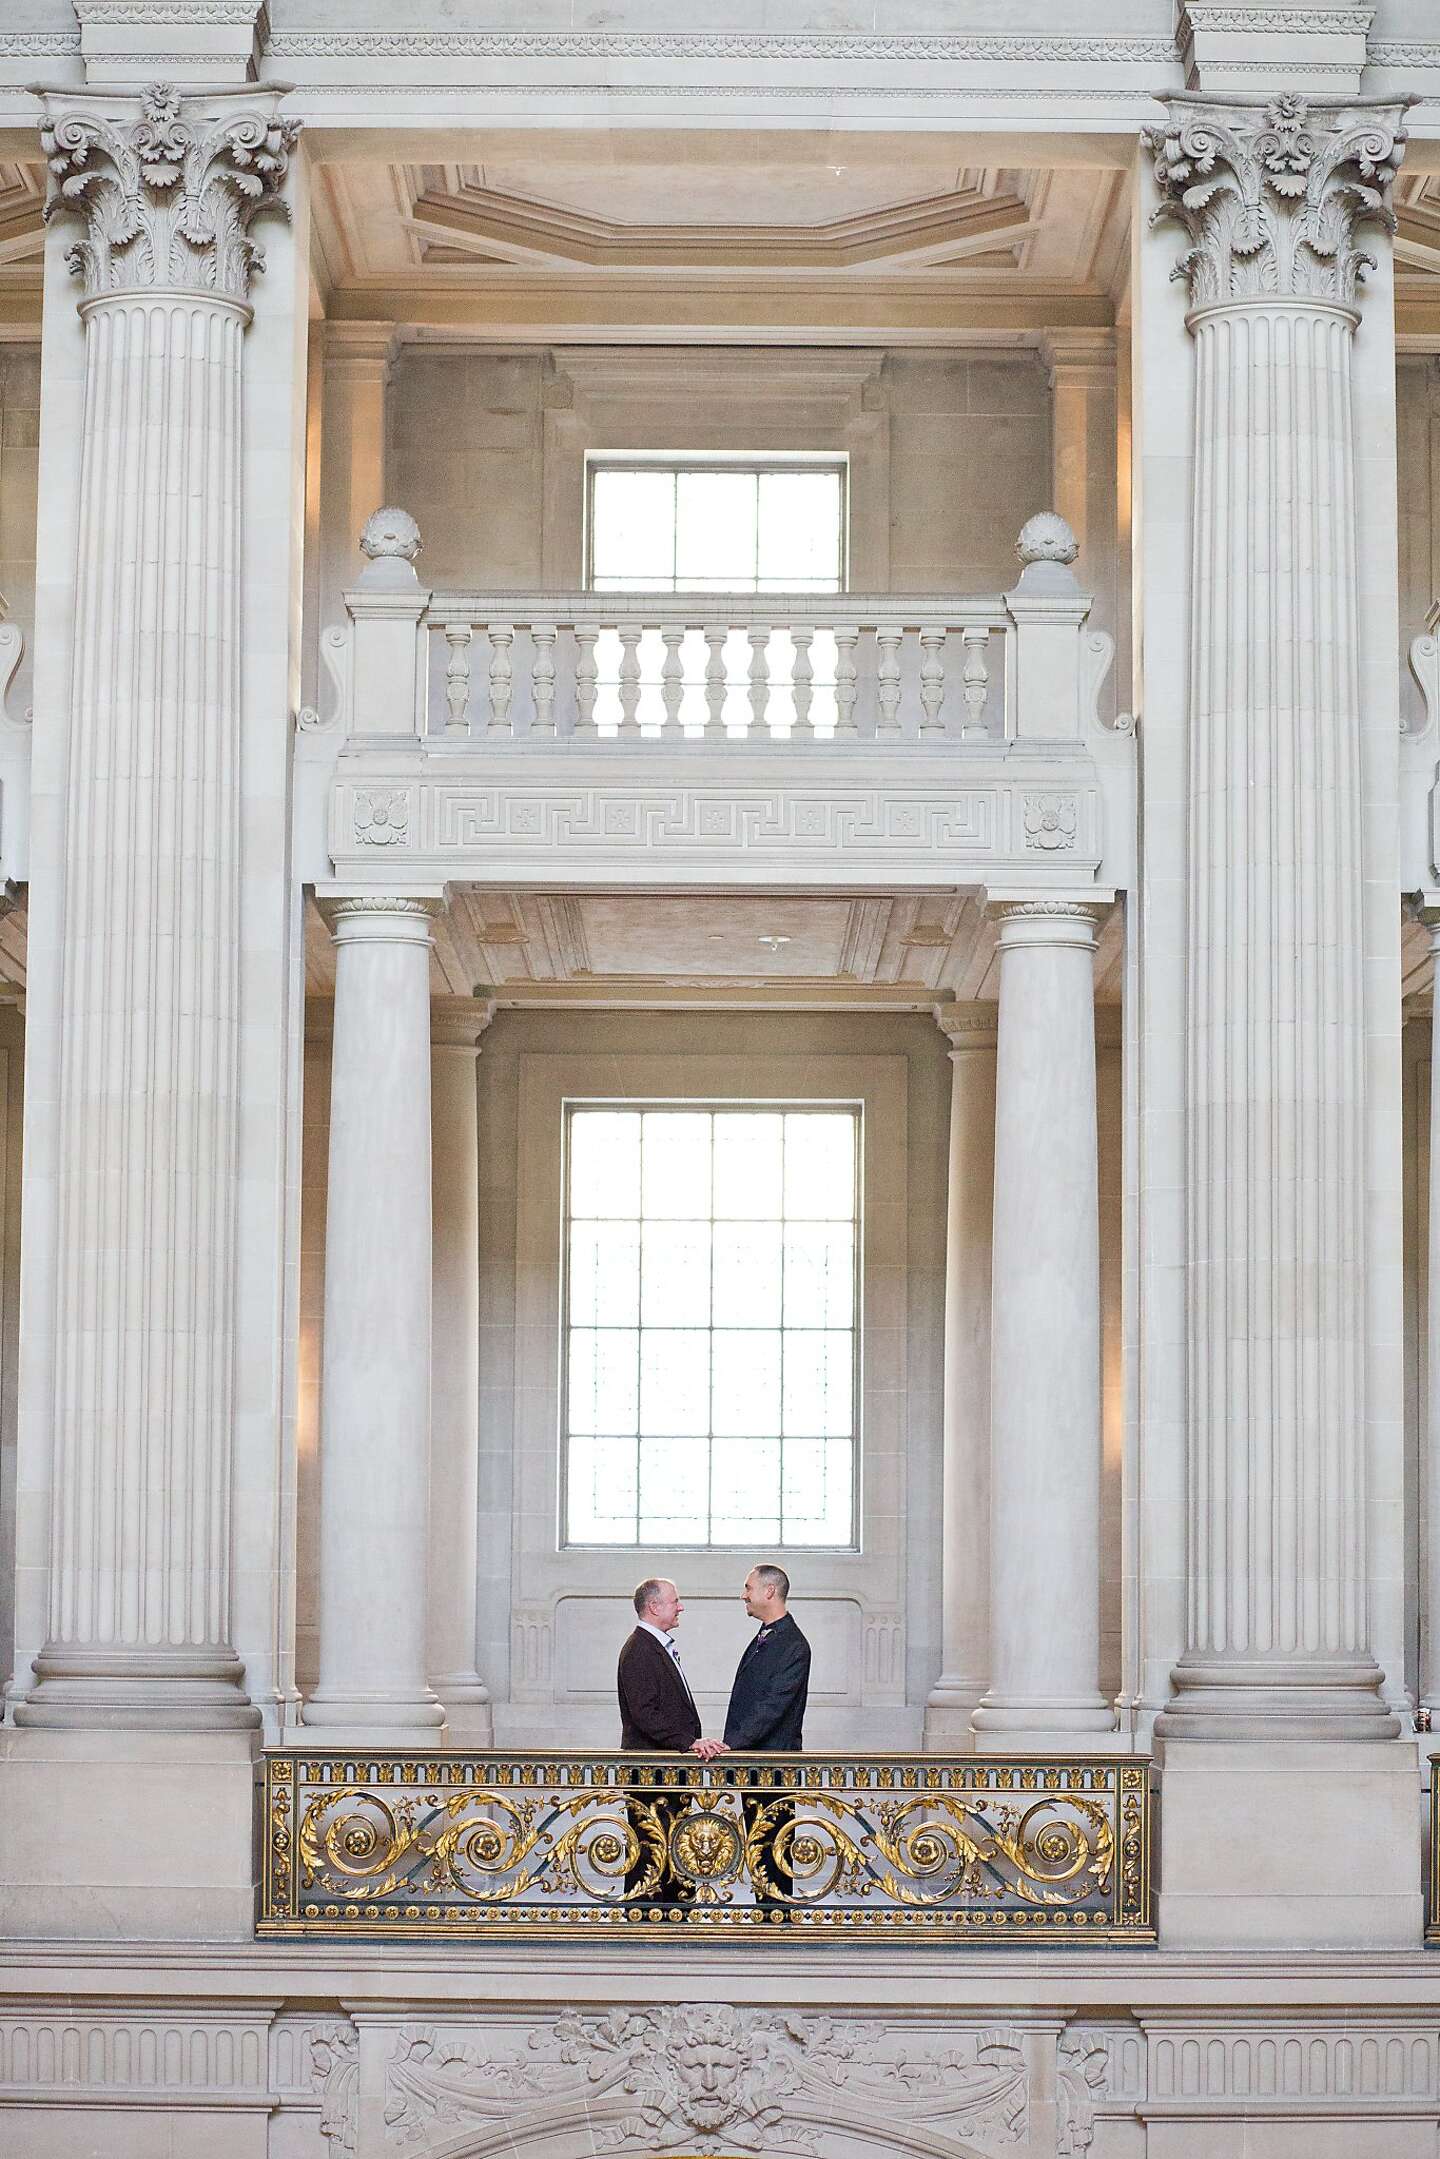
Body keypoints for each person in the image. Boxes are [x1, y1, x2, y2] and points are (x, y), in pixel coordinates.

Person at [616, 1578, 725, 1906]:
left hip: (666, 1772)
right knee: (652, 1847)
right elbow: (644, 1713)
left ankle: (671, 1912)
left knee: (668, 1844)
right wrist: (690, 1742)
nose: (681, 1607)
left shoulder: (653, 1646)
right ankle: (651, 1918)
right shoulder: (639, 1649)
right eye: (675, 1601)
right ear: (654, 1607)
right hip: (652, 1774)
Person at [722, 1563, 810, 1910]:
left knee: (774, 1843)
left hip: (774, 1763)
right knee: (759, 1842)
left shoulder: (793, 1643)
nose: (744, 1594)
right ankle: (766, 1912)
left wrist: (732, 1742)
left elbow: (774, 1705)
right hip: (754, 1762)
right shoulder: (767, 1635)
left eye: (748, 1587)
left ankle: (776, 1917)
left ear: (769, 1591)